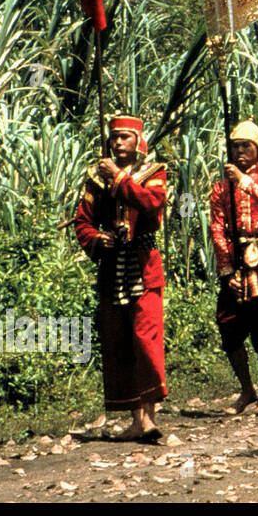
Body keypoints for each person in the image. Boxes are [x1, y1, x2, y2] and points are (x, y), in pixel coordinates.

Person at [73, 115, 169, 442]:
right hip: (112, 270)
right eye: (115, 138)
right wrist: (97, 239)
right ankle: (135, 420)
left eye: (126, 137)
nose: (119, 143)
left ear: (137, 141)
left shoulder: (154, 174)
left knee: (146, 339)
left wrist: (120, 179)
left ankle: (150, 417)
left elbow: (152, 204)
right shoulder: (96, 180)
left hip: (144, 267)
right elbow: (82, 222)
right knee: (120, 343)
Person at [209, 120, 258, 415]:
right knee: (228, 325)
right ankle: (246, 389)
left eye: (246, 145)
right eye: (235, 146)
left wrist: (244, 181)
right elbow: (217, 229)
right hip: (236, 262)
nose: (240, 151)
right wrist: (227, 269)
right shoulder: (220, 187)